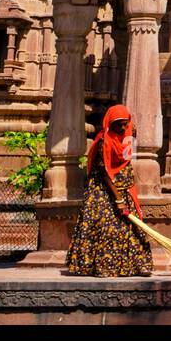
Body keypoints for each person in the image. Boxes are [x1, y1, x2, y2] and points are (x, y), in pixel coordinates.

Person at [65, 104, 152, 277]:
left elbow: (126, 155)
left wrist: (130, 130)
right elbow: (105, 171)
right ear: (109, 124)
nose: (121, 127)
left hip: (124, 187)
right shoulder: (104, 142)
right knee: (106, 227)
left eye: (124, 123)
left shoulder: (127, 134)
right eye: (117, 124)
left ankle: (134, 266)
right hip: (104, 190)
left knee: (131, 229)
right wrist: (118, 199)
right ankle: (103, 267)